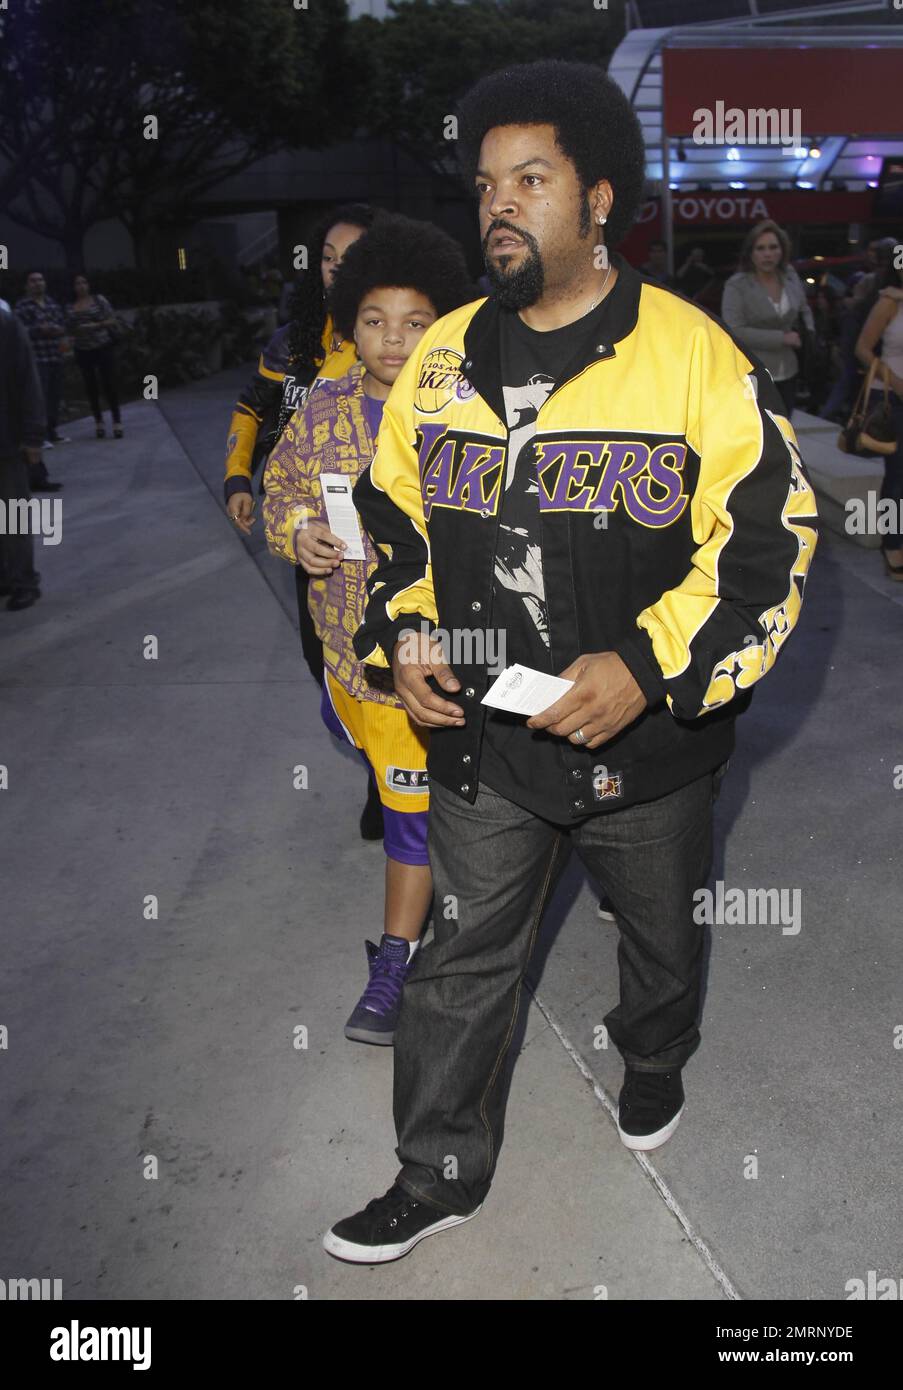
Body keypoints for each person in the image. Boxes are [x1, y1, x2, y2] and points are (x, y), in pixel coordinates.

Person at [322, 58, 818, 1264]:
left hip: (648, 747)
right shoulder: (437, 359)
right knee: (460, 959)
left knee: (658, 938)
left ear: (599, 200)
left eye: (530, 178)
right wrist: (408, 631)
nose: (499, 202)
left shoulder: (692, 356)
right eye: (487, 181)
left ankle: (653, 1056)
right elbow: (393, 520)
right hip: (485, 737)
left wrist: (649, 667)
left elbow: (771, 545)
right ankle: (437, 1169)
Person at [262, 213, 474, 1043]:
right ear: (348, 324)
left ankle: (395, 960)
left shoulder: (463, 414)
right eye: (374, 322)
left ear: (442, 324)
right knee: (365, 755)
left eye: (414, 322)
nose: (392, 340)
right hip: (340, 661)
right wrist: (296, 533)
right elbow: (282, 491)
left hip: (412, 662)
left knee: (406, 819)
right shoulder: (320, 409)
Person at [224, 204, 382, 836]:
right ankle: (376, 760)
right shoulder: (292, 340)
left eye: (356, 259)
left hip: (382, 532)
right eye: (329, 259)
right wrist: (239, 477)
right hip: (304, 530)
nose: (339, 271)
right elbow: (253, 405)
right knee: (323, 660)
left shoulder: (400, 335)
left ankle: (394, 783)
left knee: (385, 655)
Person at [721, 220, 815, 420]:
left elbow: (804, 307)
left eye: (773, 247)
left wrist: (809, 333)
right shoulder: (737, 285)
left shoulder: (789, 276)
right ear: (751, 253)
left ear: (782, 251)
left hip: (789, 370)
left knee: (785, 433)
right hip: (754, 373)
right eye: (761, 248)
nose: (768, 254)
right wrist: (781, 338)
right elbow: (735, 330)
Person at [854, 250, 903, 580]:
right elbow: (862, 349)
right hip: (893, 399)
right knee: (898, 478)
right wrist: (895, 381)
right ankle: (893, 546)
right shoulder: (890, 301)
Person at [0, 306, 46, 610]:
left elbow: (28, 381)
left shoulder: (6, 325)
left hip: (6, 440)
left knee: (12, 516)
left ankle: (24, 581)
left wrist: (32, 437)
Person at [15, 271, 68, 447]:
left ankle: (53, 432)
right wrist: (40, 330)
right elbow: (20, 332)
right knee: (40, 398)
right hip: (37, 359)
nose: (38, 283)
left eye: (40, 280)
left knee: (55, 396)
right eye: (33, 281)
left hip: (55, 356)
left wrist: (57, 330)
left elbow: (62, 325)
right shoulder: (22, 306)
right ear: (27, 285)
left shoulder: (52, 304)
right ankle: (41, 436)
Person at [66, 275, 123, 439]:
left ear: (89, 284)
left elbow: (113, 320)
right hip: (83, 350)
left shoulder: (98, 300)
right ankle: (99, 422)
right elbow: (68, 328)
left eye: (84, 282)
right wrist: (75, 332)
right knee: (91, 387)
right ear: (73, 287)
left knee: (109, 384)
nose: (81, 286)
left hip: (103, 347)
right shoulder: (70, 306)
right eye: (77, 283)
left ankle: (117, 421)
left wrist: (95, 325)